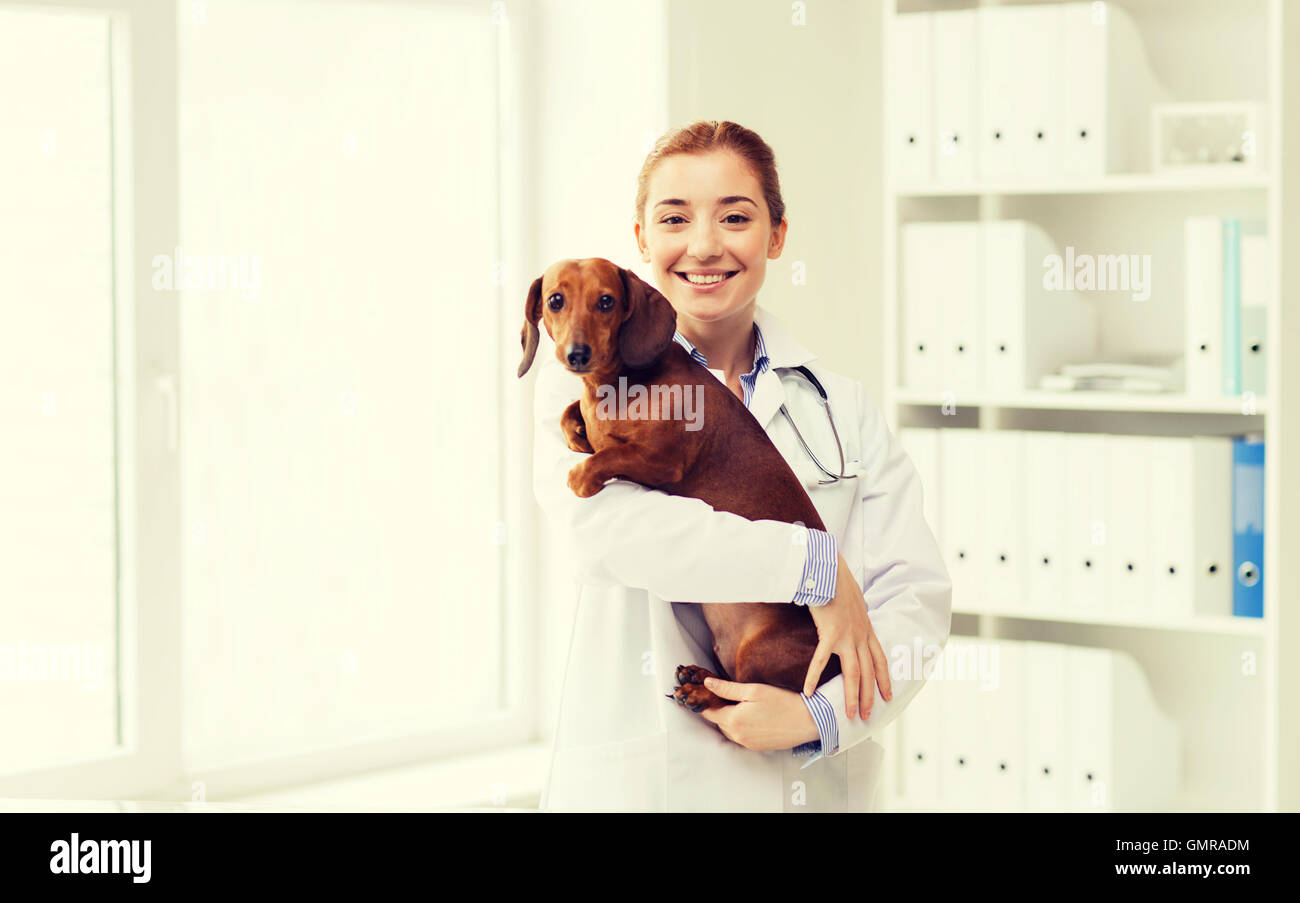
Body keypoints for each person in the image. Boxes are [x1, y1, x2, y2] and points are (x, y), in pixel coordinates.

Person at [530, 120, 952, 812]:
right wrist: (813, 564)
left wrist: (821, 717)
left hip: (803, 783)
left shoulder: (842, 410)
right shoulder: (578, 386)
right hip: (646, 782)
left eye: (735, 216)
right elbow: (619, 533)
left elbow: (917, 602)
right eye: (674, 218)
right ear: (641, 239)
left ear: (777, 236)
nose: (704, 245)